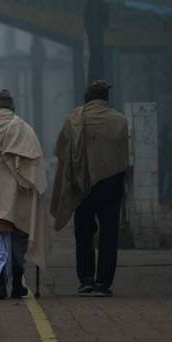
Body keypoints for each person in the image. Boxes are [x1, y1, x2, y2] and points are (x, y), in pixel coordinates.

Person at [50, 80, 130, 297]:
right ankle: (103, 282)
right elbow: (125, 157)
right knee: (108, 235)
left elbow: (61, 151)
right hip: (111, 186)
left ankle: (85, 279)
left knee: (83, 233)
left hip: (82, 185)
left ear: (87, 98)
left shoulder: (73, 120)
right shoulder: (120, 121)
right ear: (106, 98)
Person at [0, 90, 49, 300]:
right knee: (18, 238)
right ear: (12, 107)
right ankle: (17, 280)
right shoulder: (23, 129)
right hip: (19, 196)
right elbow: (35, 162)